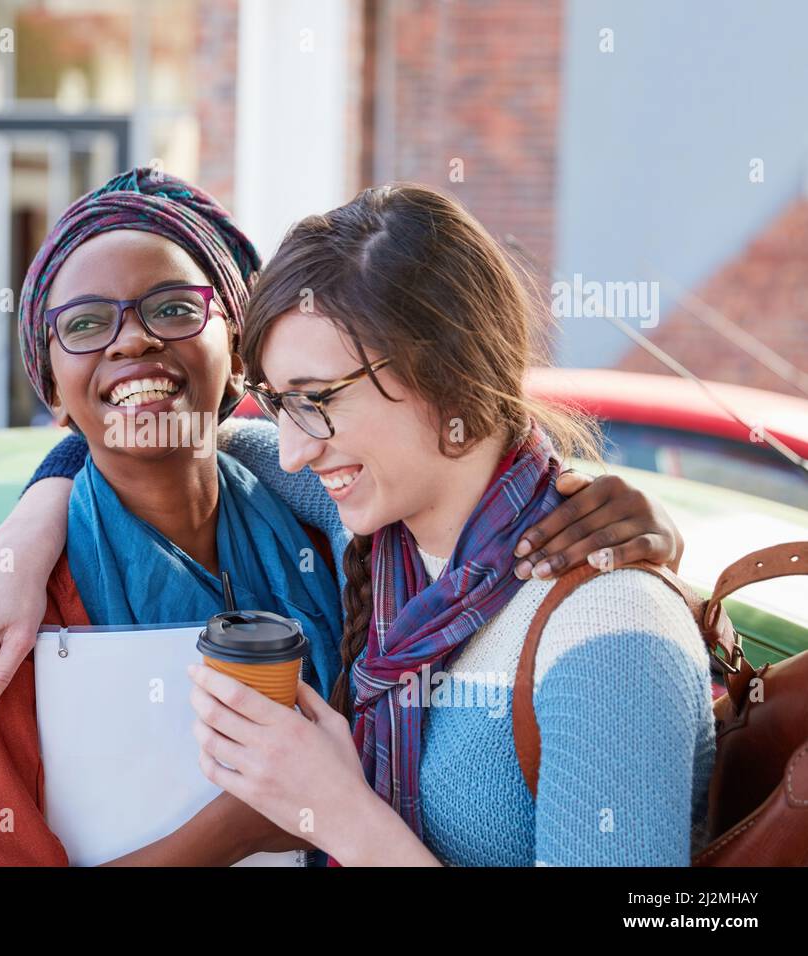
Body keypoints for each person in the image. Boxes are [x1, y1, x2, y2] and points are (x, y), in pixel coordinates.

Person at [187, 184, 715, 866]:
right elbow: (182, 443)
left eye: (316, 399)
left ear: (446, 370)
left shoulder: (611, 629)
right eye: (277, 401)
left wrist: (341, 813)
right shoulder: (376, 534)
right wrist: (38, 514)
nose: (293, 448)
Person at [0, 168, 341, 866]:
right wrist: (237, 829)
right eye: (85, 324)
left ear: (237, 355)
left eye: (173, 309)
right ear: (53, 393)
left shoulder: (332, 548)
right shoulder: (6, 627)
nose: (131, 341)